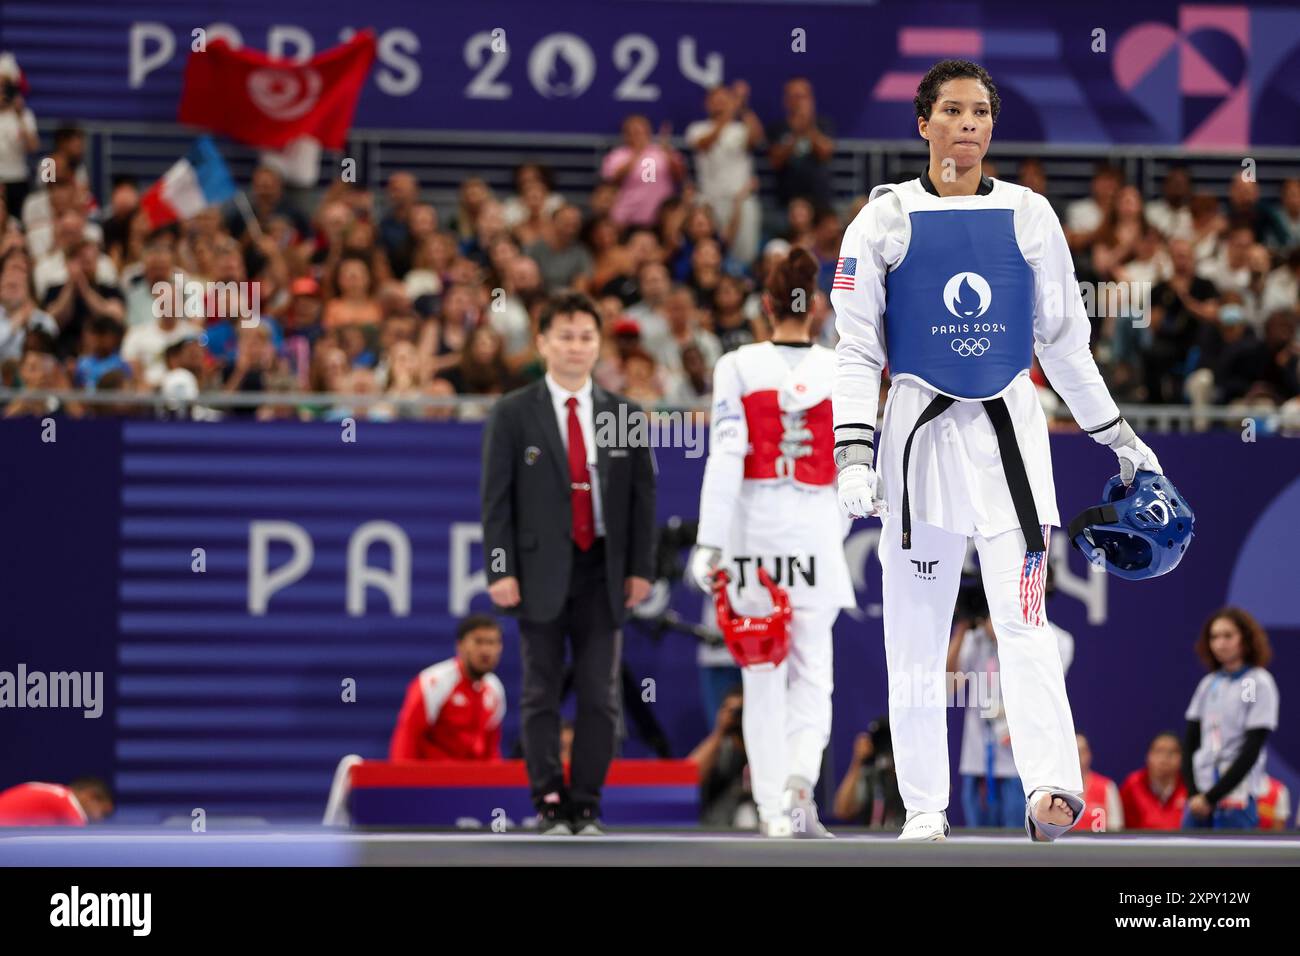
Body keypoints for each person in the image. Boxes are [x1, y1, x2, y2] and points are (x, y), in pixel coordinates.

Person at [831, 59, 1163, 843]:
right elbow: (853, 351)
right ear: (924, 123)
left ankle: (1051, 787)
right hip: (916, 442)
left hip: (1012, 441)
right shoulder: (881, 221)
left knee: (1026, 620)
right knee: (914, 637)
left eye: (981, 112)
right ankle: (923, 806)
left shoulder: (1031, 215)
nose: (970, 125)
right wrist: (852, 448)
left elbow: (1067, 345)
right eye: (953, 110)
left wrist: (1120, 438)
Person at [687, 248, 854, 837]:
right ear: (818, 310)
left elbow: (727, 455)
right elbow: (852, 465)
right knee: (813, 673)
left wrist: (710, 542)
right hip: (812, 534)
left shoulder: (736, 365)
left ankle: (771, 810)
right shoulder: (842, 367)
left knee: (762, 672)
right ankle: (800, 784)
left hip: (753, 537)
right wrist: (833, 534)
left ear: (765, 305)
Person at [480, 291, 657, 835]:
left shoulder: (623, 413)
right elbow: (496, 501)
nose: (576, 347)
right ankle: (549, 800)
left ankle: (586, 802)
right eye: (565, 337)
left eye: (586, 337)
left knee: (602, 695)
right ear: (542, 343)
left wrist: (641, 569)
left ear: (598, 345)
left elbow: (641, 499)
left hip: (603, 568)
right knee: (540, 692)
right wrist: (499, 568)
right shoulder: (514, 413)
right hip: (538, 572)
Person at [1182, 607, 1279, 830]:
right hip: (1199, 796)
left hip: (1236, 796)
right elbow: (1190, 742)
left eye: (1228, 636)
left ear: (1245, 639)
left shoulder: (1257, 682)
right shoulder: (1209, 683)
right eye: (1214, 637)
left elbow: (1251, 749)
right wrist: (1194, 793)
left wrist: (1212, 797)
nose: (1220, 643)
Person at [388, 615, 507, 761]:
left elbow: (491, 749)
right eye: (478, 642)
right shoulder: (433, 682)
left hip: (473, 780)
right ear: (460, 645)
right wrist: (403, 781)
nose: (486, 650)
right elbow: (407, 738)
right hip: (433, 779)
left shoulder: (495, 689)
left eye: (492, 643)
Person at [833, 717, 906, 829]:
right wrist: (858, 761)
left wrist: (902, 763)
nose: (886, 747)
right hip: (873, 842)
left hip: (906, 841)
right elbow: (843, 810)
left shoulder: (909, 778)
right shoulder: (870, 776)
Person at [1119, 732, 1188, 831]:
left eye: (1171, 753)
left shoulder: (1189, 786)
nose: (1164, 759)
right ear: (1148, 756)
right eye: (1158, 751)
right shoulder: (1133, 784)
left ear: (1182, 759)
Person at [0, 778, 113, 825]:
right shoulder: (67, 803)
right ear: (90, 796)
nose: (100, 819)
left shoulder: (59, 795)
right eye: (104, 813)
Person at [1076, 732, 1124, 832]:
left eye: (1082, 752)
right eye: (1073, 752)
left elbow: (1116, 830)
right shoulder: (1057, 789)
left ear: (1089, 754)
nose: (1078, 757)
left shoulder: (1107, 787)